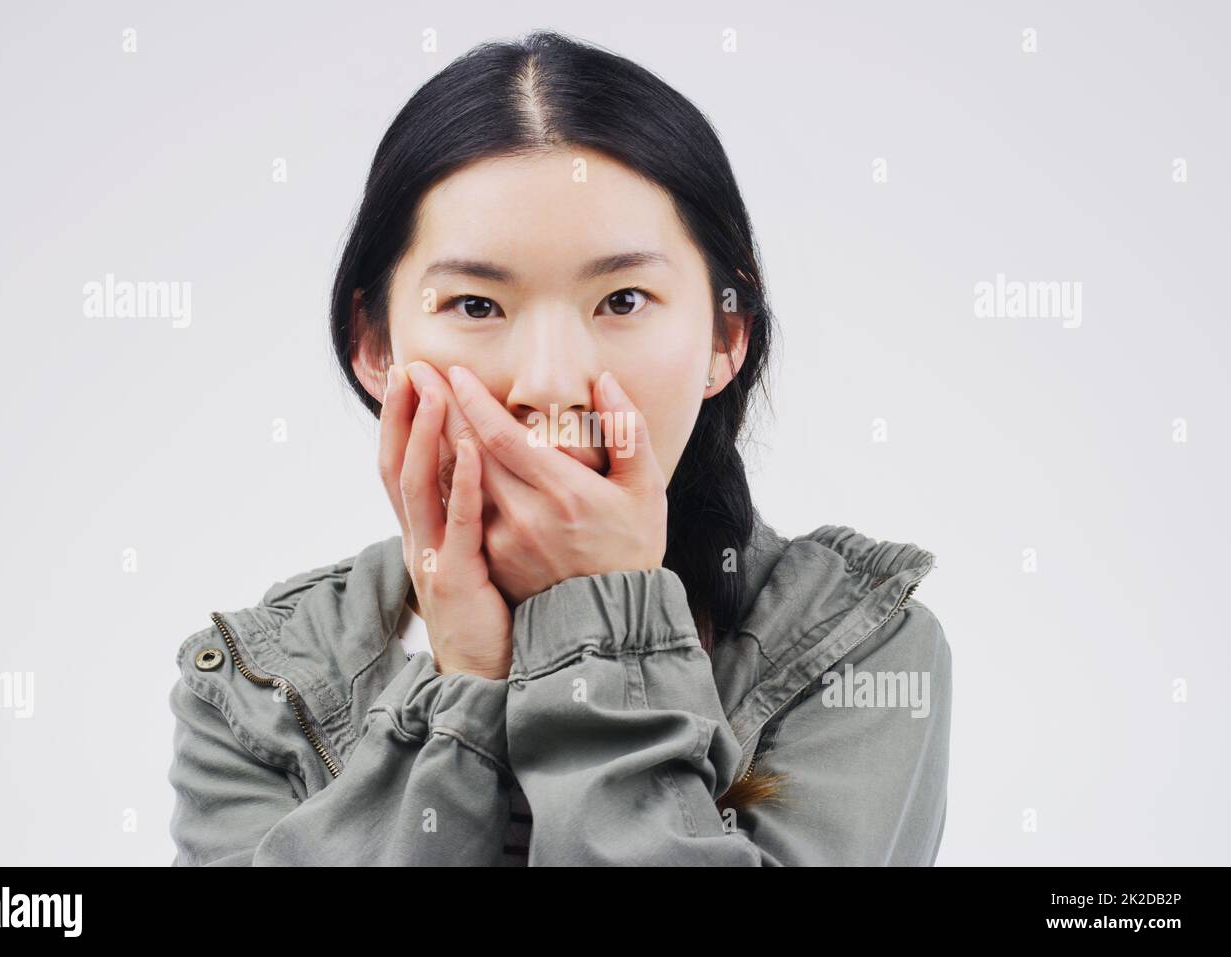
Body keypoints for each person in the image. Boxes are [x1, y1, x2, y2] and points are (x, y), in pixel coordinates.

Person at [167, 29, 952, 866]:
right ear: (374, 345)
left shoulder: (856, 648)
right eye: (475, 305)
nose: (548, 384)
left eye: (622, 299)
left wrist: (602, 621)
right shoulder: (257, 684)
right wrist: (463, 679)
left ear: (727, 333)